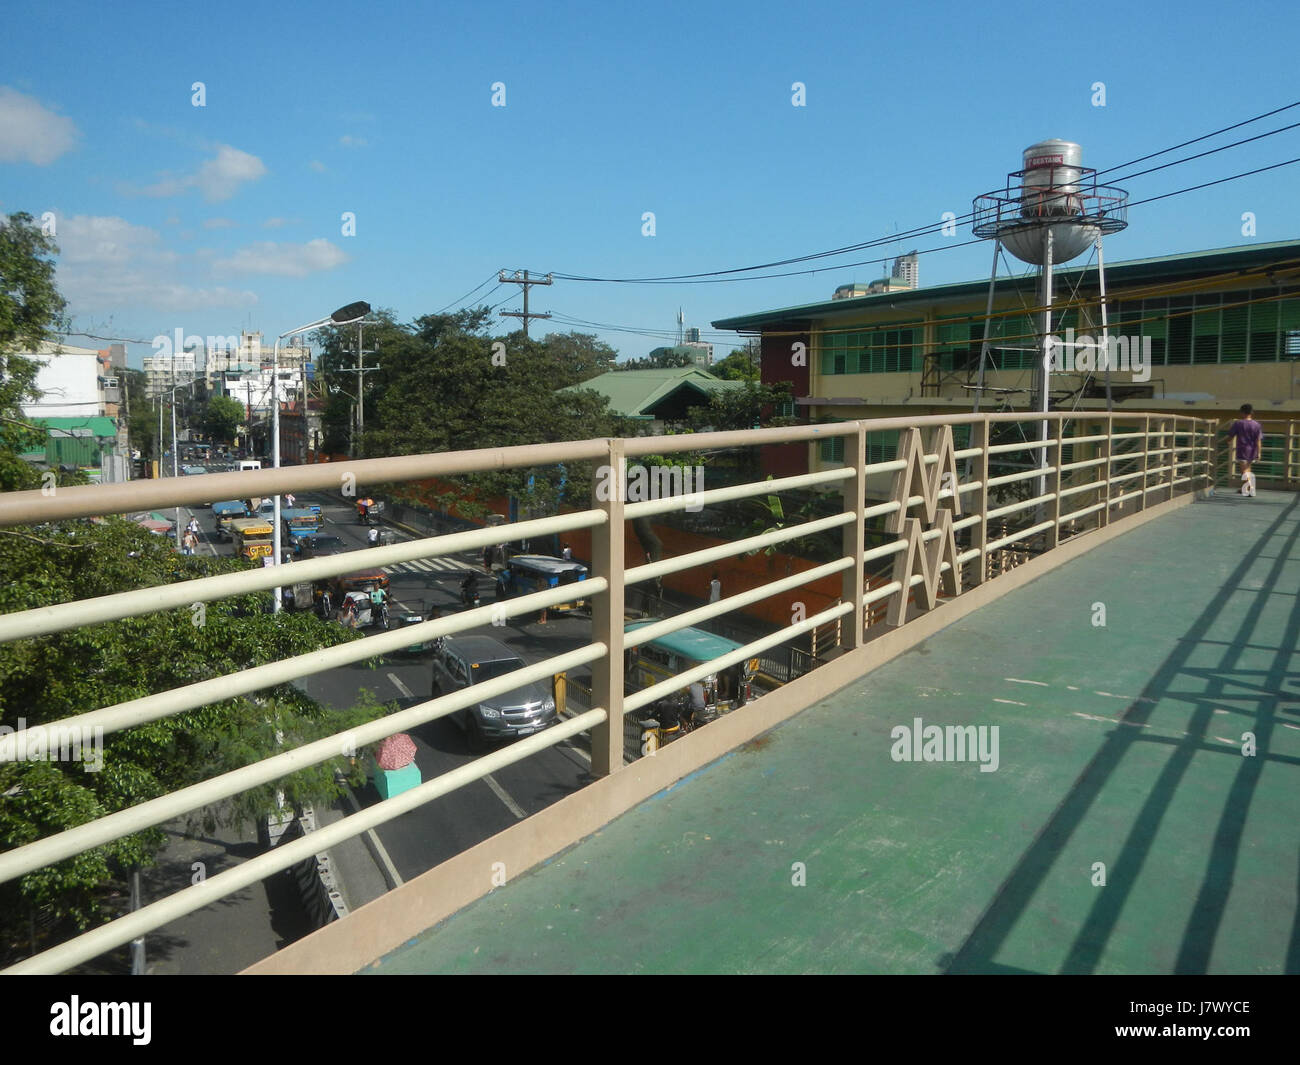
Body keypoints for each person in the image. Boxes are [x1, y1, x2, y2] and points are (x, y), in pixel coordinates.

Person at [1227, 403, 1263, 498]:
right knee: (1248, 469)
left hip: (1242, 449)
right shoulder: (1256, 425)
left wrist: (1227, 441)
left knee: (1244, 471)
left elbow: (1230, 436)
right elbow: (1258, 440)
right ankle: (1244, 488)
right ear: (1251, 413)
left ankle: (1251, 488)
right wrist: (1259, 452)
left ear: (1242, 412)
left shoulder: (1238, 423)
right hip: (1253, 450)